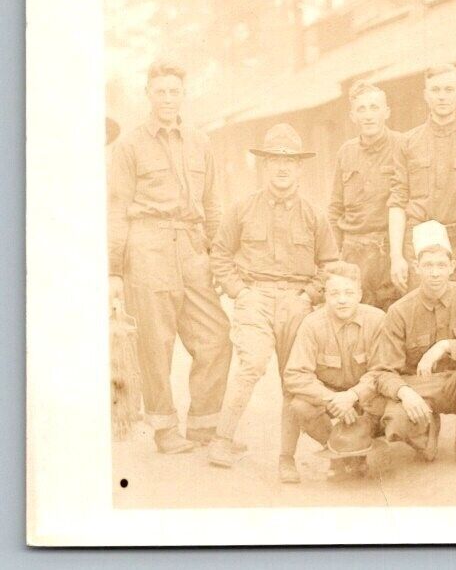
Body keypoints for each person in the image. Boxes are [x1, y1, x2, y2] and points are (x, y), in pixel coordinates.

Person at [107, 60, 231, 454]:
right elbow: (116, 207)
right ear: (148, 94)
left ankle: (203, 424)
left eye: (173, 91)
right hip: (148, 246)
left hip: (192, 248)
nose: (167, 98)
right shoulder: (129, 144)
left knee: (216, 336)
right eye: (159, 91)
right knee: (155, 343)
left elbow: (213, 202)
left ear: (183, 94)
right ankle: (164, 429)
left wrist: (218, 254)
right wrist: (114, 270)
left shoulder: (200, 141)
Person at [207, 123, 339, 483]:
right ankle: (222, 439)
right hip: (256, 296)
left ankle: (286, 458)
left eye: (289, 162)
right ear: (264, 166)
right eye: (274, 161)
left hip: (298, 300)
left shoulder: (314, 215)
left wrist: (308, 296)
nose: (282, 168)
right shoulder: (242, 209)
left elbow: (329, 265)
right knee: (251, 363)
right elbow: (219, 253)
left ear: (299, 167)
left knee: (293, 377)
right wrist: (239, 291)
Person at [371, 221, 456, 472]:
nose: (435, 273)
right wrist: (405, 393)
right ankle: (425, 430)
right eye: (428, 265)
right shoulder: (400, 310)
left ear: (452, 266)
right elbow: (382, 372)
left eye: (441, 265)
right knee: (397, 423)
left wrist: (445, 345)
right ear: (416, 267)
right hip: (419, 388)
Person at [388, 64, 456, 292]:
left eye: (449, 90)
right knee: (422, 317)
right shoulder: (407, 142)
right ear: (426, 95)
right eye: (435, 90)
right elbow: (398, 201)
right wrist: (396, 256)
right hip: (420, 240)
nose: (442, 96)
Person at [282, 261, 385, 482]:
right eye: (334, 293)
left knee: (387, 404)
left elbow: (382, 370)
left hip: (364, 396)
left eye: (349, 292)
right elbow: (294, 375)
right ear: (325, 296)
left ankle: (361, 449)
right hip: (331, 398)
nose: (342, 299)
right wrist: (331, 398)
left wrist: (353, 395)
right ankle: (338, 452)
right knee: (300, 405)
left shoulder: (377, 319)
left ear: (360, 294)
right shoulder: (311, 324)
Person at [327, 80, 403, 309]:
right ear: (353, 116)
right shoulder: (346, 152)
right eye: (361, 109)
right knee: (352, 319)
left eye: (374, 107)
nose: (368, 115)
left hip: (388, 253)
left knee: (390, 322)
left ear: (386, 112)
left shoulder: (402, 146)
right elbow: (335, 208)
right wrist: (334, 257)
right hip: (352, 255)